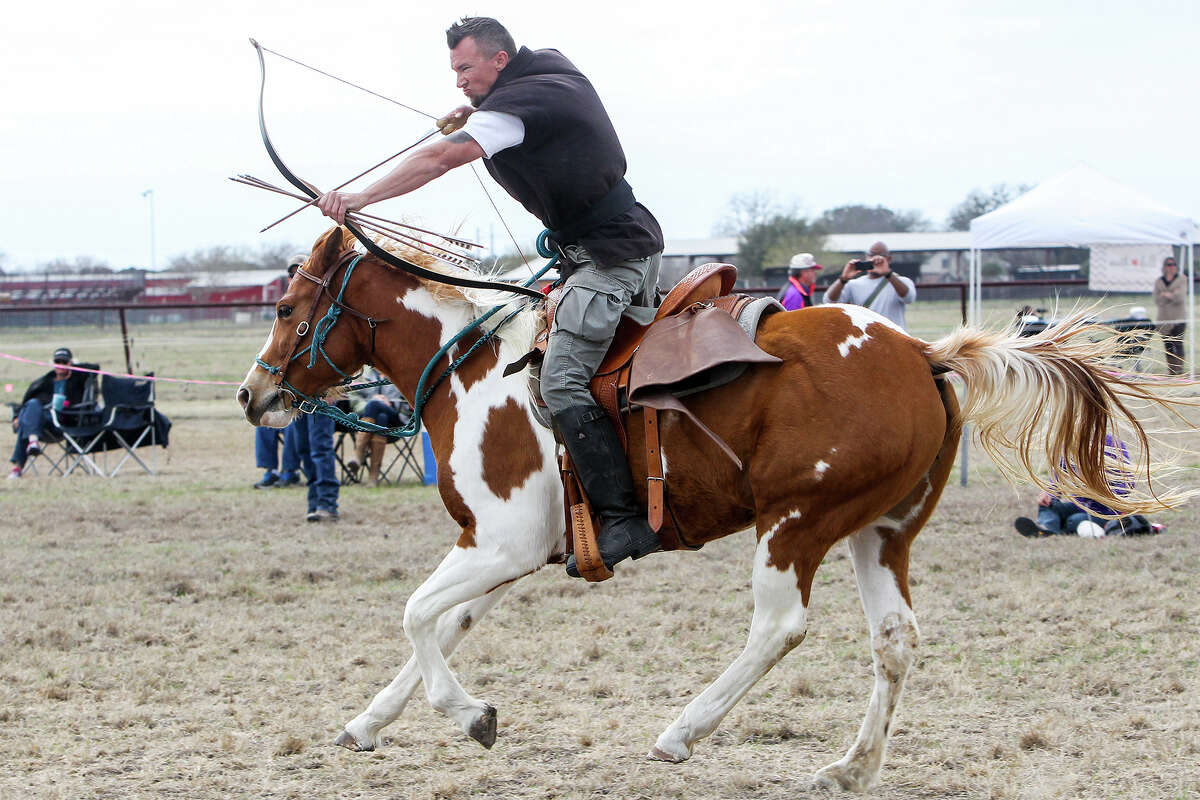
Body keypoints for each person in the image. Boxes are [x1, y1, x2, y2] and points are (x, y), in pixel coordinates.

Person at [315, 17, 664, 575]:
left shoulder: (519, 106)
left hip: (610, 258)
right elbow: (518, 114)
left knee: (561, 380)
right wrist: (479, 108)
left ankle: (623, 518)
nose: (457, 80)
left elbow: (439, 158)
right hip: (619, 243)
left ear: (499, 60)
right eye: (454, 69)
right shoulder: (547, 68)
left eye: (465, 68)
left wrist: (359, 198)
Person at [1013, 435, 1157, 538]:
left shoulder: (1112, 444)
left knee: (1075, 519)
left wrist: (1097, 486)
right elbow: (1058, 477)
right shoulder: (1068, 446)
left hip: (1108, 513)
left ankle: (1058, 529)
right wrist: (1049, 495)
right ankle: (1047, 528)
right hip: (1080, 506)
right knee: (1049, 507)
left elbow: (1127, 484)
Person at [252, 253, 310, 489]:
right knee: (261, 416)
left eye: (300, 271)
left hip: (309, 389)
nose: (294, 276)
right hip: (282, 382)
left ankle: (290, 471)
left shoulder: (313, 309)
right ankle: (271, 470)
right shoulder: (284, 310)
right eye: (291, 273)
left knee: (289, 416)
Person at [8, 347, 100, 479]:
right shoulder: (46, 381)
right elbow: (27, 401)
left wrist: (73, 368)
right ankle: (33, 442)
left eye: (64, 362)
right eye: (58, 361)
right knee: (32, 406)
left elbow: (95, 368)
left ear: (70, 363)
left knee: (25, 423)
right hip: (45, 422)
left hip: (67, 421)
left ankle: (17, 468)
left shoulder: (78, 378)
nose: (61, 365)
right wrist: (17, 416)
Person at [822, 241, 916, 329]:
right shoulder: (853, 284)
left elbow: (909, 298)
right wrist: (843, 279)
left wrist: (888, 274)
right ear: (866, 257)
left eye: (881, 256)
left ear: (889, 259)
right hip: (867, 340)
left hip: (894, 339)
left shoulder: (901, 281)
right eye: (872, 255)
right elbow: (829, 301)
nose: (875, 259)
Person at [345, 367, 412, 487]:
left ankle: (358, 455)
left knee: (375, 404)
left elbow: (409, 399)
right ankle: (373, 478)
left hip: (396, 422)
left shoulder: (398, 373)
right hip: (369, 420)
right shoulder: (363, 375)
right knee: (381, 417)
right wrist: (371, 403)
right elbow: (354, 399)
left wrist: (386, 402)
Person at [1153, 255, 1185, 375]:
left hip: (1179, 318)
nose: (1171, 267)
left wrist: (1165, 294)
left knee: (1178, 343)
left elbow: (1180, 298)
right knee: (1168, 345)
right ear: (1164, 267)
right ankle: (1172, 371)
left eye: (1173, 264)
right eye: (1168, 264)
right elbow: (1157, 299)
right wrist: (1172, 294)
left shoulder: (1182, 279)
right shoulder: (1159, 281)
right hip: (1164, 319)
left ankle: (1179, 371)